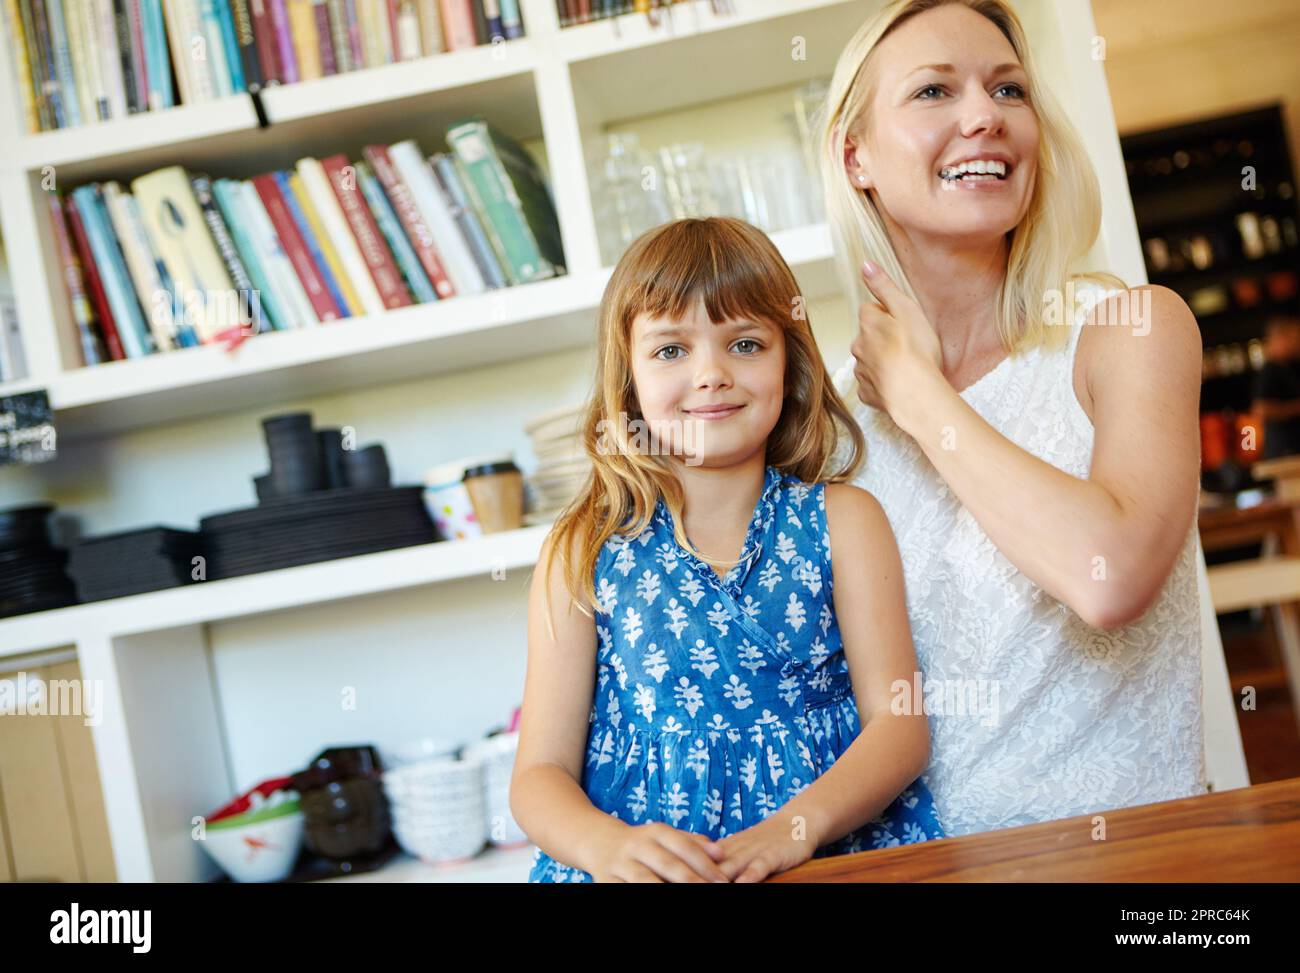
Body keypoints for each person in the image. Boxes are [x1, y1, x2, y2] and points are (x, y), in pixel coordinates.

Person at [817, 0, 1207, 837]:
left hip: (1144, 871)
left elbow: (1110, 578)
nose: (983, 116)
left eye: (1009, 90)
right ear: (856, 157)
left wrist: (922, 397)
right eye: (933, 92)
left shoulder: (1131, 330)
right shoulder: (834, 433)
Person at [510, 216, 945, 883]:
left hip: (830, 856)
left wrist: (790, 831)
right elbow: (538, 775)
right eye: (671, 350)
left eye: (745, 343)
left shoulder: (845, 521)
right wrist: (606, 847)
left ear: (790, 363)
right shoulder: (582, 550)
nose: (711, 374)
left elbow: (901, 725)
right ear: (626, 377)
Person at [1251, 314, 1300, 460]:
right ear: (1279, 338)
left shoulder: (1290, 366)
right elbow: (1261, 410)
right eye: (1294, 337)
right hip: (1284, 451)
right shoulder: (1270, 370)